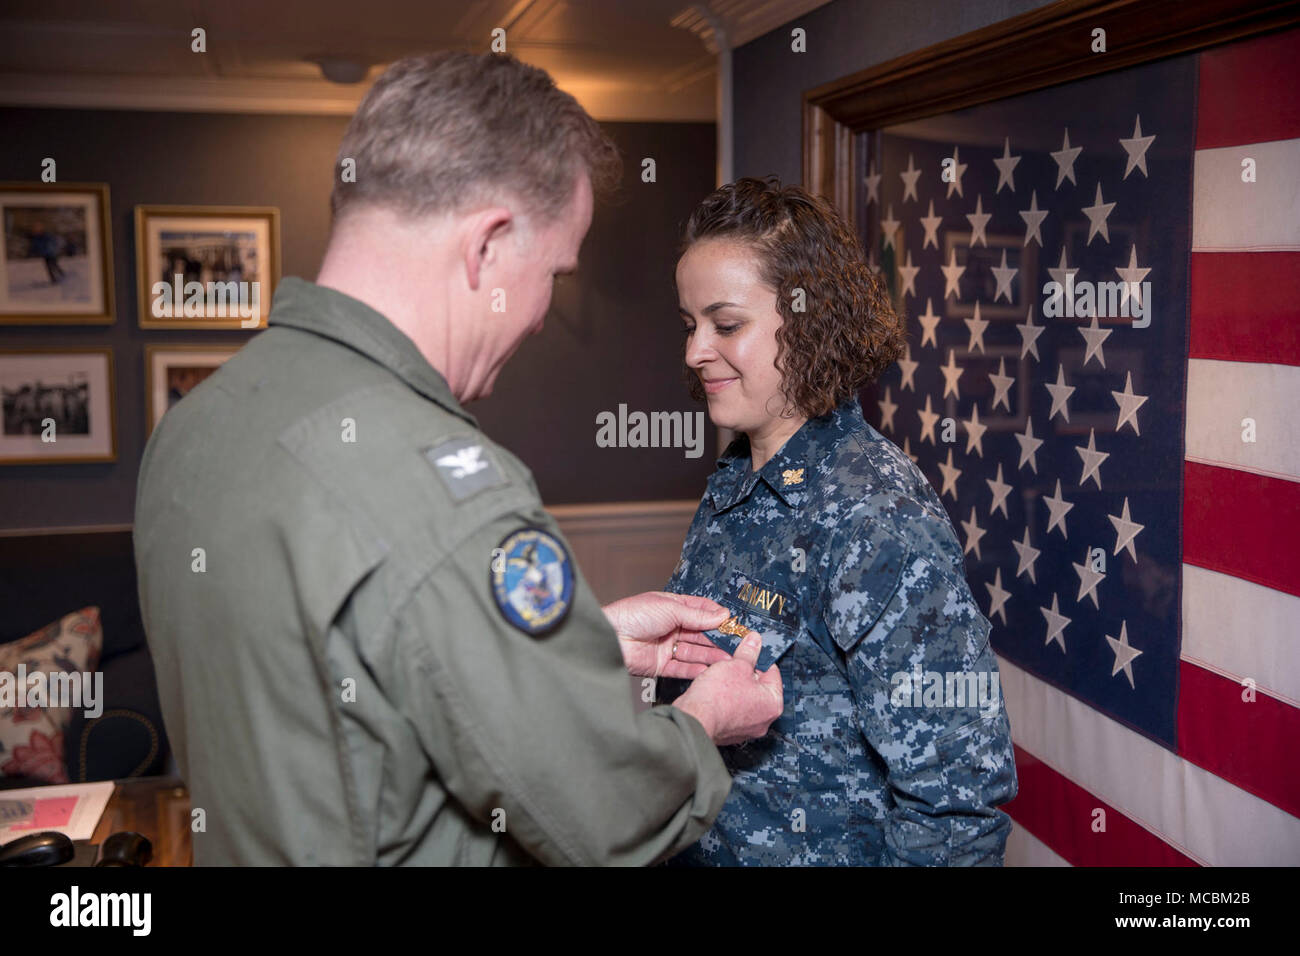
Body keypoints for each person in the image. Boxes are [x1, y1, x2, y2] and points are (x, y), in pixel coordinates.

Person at [134, 52, 783, 867]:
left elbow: (348, 684)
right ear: (488, 246)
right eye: (553, 273)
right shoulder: (443, 487)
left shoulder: (198, 423)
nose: (544, 315)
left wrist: (587, 642)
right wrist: (703, 725)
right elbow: (602, 812)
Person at [657, 177, 1018, 866]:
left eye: (725, 324)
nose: (694, 351)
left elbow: (953, 809)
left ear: (811, 319)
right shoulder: (738, 477)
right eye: (689, 324)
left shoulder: (877, 512)